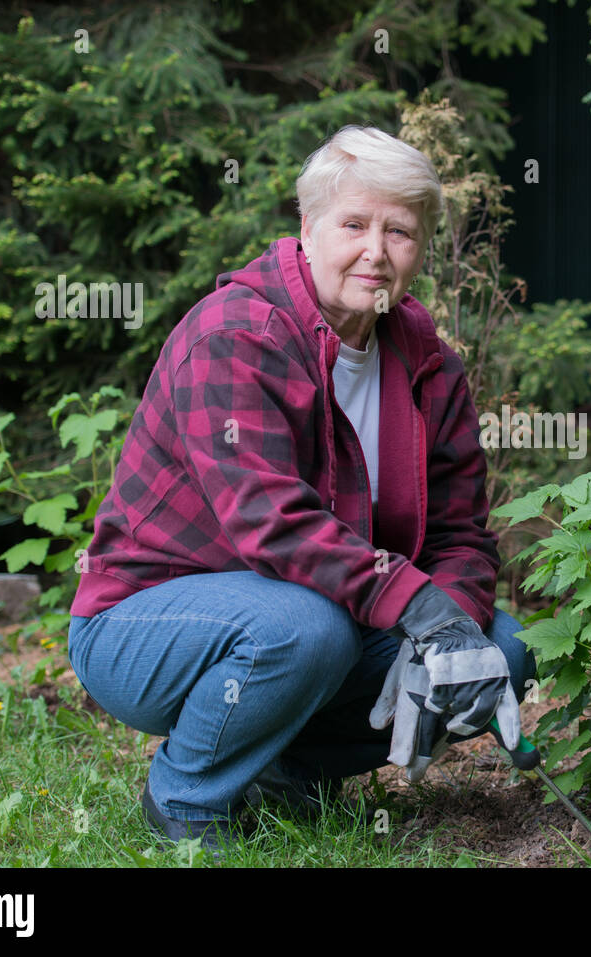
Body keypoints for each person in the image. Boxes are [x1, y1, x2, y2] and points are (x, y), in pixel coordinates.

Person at [66, 125, 536, 856]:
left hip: (320, 612)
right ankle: (185, 798)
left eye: (400, 232)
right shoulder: (237, 334)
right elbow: (270, 521)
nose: (376, 252)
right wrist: (415, 606)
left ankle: (286, 776)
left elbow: (459, 536)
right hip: (143, 623)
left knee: (498, 649)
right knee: (304, 627)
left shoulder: (430, 365)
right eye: (354, 224)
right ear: (308, 228)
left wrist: (452, 628)